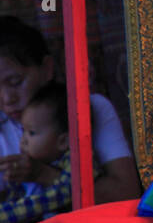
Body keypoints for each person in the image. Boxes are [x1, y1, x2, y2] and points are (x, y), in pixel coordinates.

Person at [0, 15, 140, 204]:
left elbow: (127, 192)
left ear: (47, 69)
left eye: (15, 82)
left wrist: (43, 174)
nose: (7, 99)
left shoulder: (88, 108)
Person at [0, 81, 74, 223]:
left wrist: (5, 214)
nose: (23, 140)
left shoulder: (73, 162)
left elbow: (55, 197)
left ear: (63, 141)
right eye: (23, 132)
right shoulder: (32, 164)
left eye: (31, 133)